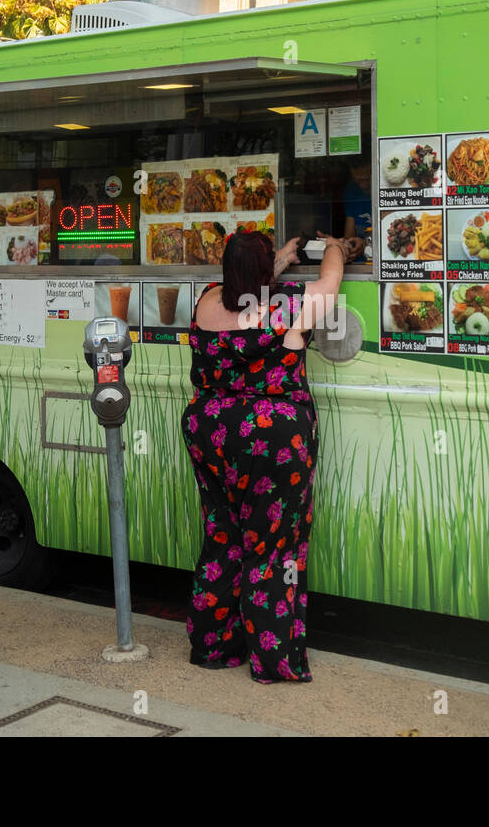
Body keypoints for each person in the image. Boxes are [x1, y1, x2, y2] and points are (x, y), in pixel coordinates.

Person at [181, 228, 346, 682]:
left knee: (222, 535)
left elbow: (244, 297)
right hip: (272, 437)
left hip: (209, 429)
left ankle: (213, 646)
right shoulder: (292, 303)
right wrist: (335, 247)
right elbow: (330, 284)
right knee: (272, 547)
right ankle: (273, 662)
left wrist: (270, 264)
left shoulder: (207, 301)